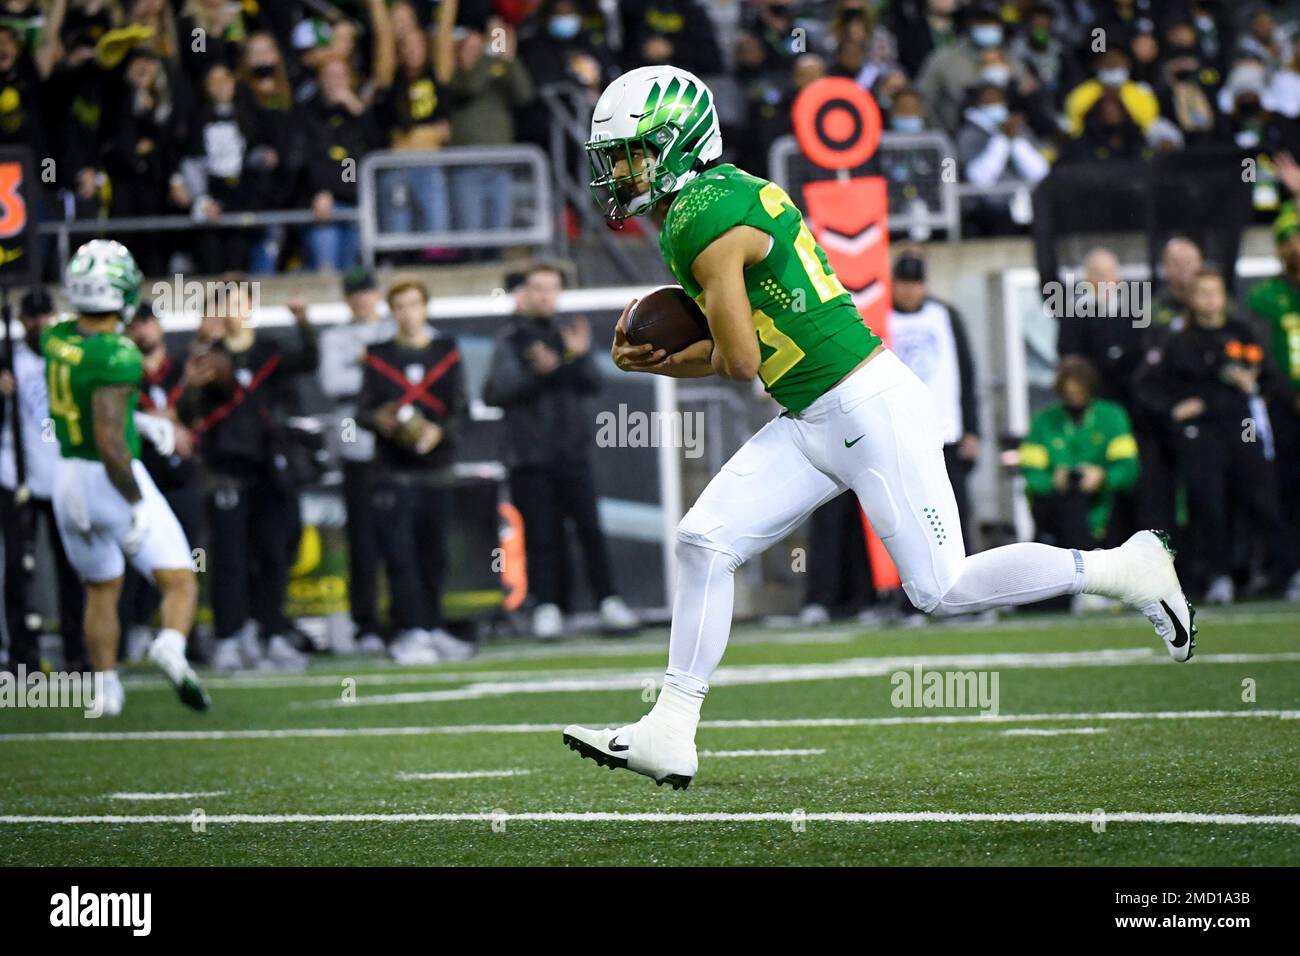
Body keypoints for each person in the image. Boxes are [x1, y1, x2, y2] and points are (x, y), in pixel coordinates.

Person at [564, 65, 1196, 790]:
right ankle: (671, 730)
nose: (617, 170)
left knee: (941, 589)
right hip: (813, 412)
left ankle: (1126, 569)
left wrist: (656, 365)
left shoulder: (697, 216)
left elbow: (738, 362)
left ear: (674, 143)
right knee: (704, 541)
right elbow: (753, 344)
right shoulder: (717, 195)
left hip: (865, 403)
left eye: (629, 152)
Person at [42, 240, 208, 716]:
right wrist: (135, 502)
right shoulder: (119, 353)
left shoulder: (58, 338)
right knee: (179, 580)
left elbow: (89, 409)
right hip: (110, 478)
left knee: (101, 588)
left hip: (67, 479)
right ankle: (170, 647)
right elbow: (111, 443)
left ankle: (106, 688)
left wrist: (144, 420)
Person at [482, 263, 639, 639]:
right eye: (538, 288)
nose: (545, 296)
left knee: (590, 530)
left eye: (552, 289)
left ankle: (609, 601)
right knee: (540, 534)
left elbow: (593, 383)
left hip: (573, 453)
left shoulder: (568, 333)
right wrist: (539, 371)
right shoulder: (510, 338)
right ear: (524, 292)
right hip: (529, 457)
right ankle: (547, 605)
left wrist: (575, 357)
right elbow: (494, 392)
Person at [178, 285, 318, 672]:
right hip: (226, 471)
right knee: (229, 559)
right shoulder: (208, 356)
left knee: (274, 554)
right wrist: (193, 380)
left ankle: (271, 632)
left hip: (269, 469)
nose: (233, 311)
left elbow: (308, 360)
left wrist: (303, 322)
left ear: (251, 307)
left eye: (239, 303)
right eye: (226, 304)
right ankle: (229, 636)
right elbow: (188, 411)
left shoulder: (269, 350)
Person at [1135, 269, 1295, 604]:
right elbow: (1147, 385)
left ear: (1224, 296)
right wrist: (1173, 408)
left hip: (1244, 425)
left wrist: (1256, 387)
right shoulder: (1179, 340)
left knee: (1262, 495)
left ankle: (1288, 571)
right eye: (1202, 292)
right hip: (1202, 431)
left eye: (1215, 292)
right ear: (1192, 299)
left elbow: (1270, 379)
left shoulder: (1243, 333)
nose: (1210, 299)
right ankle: (1219, 576)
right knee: (1209, 501)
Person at [357, 280, 476, 664]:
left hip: (436, 469)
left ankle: (433, 625)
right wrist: (384, 420)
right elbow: (362, 410)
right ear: (392, 312)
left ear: (426, 307)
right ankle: (409, 630)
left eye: (414, 305)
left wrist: (437, 431)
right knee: (399, 556)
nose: (408, 313)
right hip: (393, 472)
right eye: (400, 306)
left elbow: (460, 407)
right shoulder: (378, 355)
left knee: (434, 554)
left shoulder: (446, 350)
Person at [1, 290, 87, 674]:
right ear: (21, 320)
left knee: (74, 570)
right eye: (31, 317)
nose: (38, 324)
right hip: (15, 476)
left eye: (44, 316)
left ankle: (78, 650)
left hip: (66, 476)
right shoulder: (9, 361)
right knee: (18, 571)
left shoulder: (71, 357)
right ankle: (23, 653)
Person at [318, 268, 393, 654]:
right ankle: (367, 625)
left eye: (367, 291)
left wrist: (368, 365)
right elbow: (333, 384)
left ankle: (409, 620)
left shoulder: (395, 329)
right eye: (355, 293)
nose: (362, 298)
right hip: (358, 449)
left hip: (398, 449)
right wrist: (379, 369)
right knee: (362, 541)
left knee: (401, 540)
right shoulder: (335, 337)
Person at [888, 249, 981, 548]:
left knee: (954, 511)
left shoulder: (945, 316)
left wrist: (972, 428)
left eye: (915, 283)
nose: (909, 290)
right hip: (897, 437)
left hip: (945, 434)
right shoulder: (879, 316)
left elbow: (966, 374)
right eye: (903, 282)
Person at [1019, 357, 1139, 552]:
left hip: (1103, 506)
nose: (1075, 400)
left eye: (1080, 394)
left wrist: (1102, 477)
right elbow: (1032, 474)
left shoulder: (1112, 417)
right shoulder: (1044, 422)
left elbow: (1128, 468)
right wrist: (1055, 479)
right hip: (1058, 508)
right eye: (1069, 395)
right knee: (1069, 508)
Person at [1245, 203, 1300, 598]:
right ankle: (1289, 568)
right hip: (1284, 407)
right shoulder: (1266, 295)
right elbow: (1262, 352)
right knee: (1286, 487)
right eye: (1290, 240)